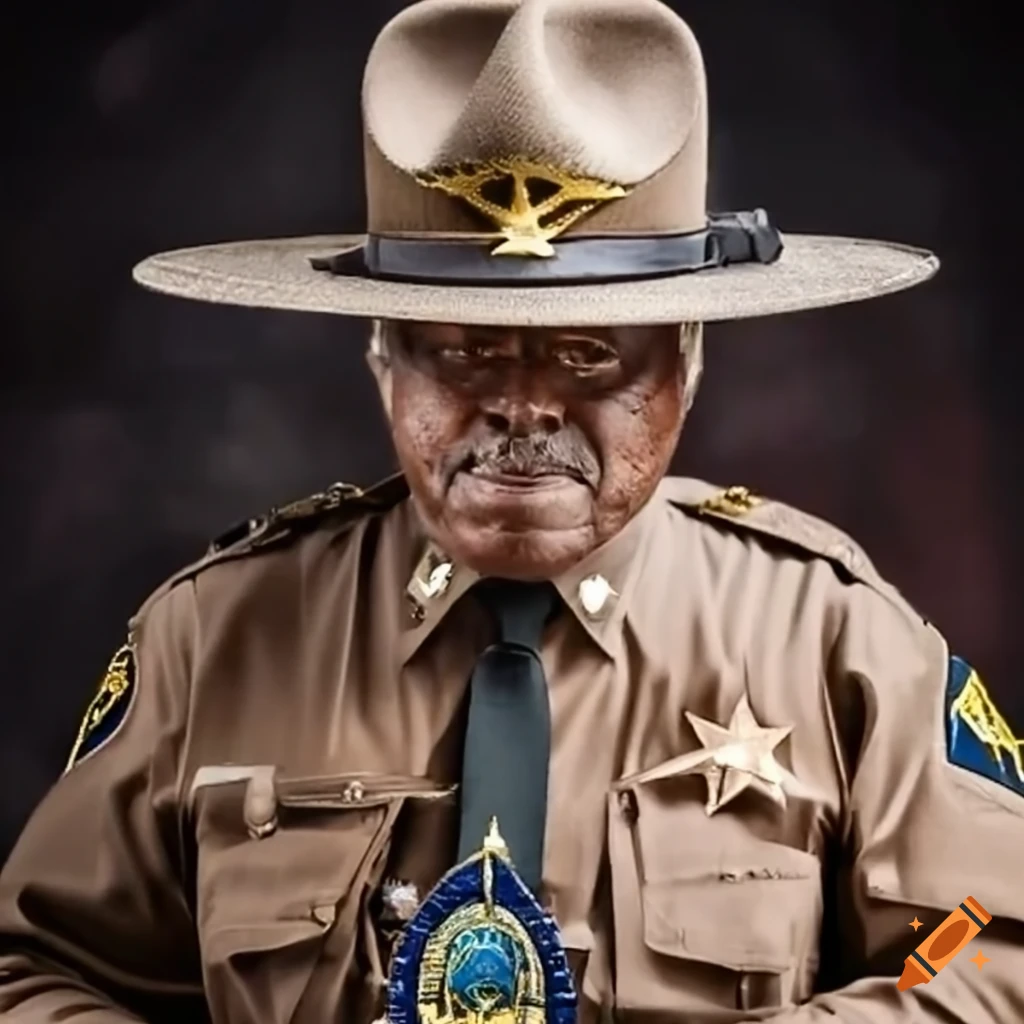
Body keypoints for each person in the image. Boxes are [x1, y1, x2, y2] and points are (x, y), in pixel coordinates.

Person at [1, 0, 1021, 1021]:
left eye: (586, 352)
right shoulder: (212, 638)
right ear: (380, 356)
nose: (523, 402)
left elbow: (980, 942)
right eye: (462, 349)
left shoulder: (833, 638)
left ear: (687, 362)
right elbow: (38, 970)